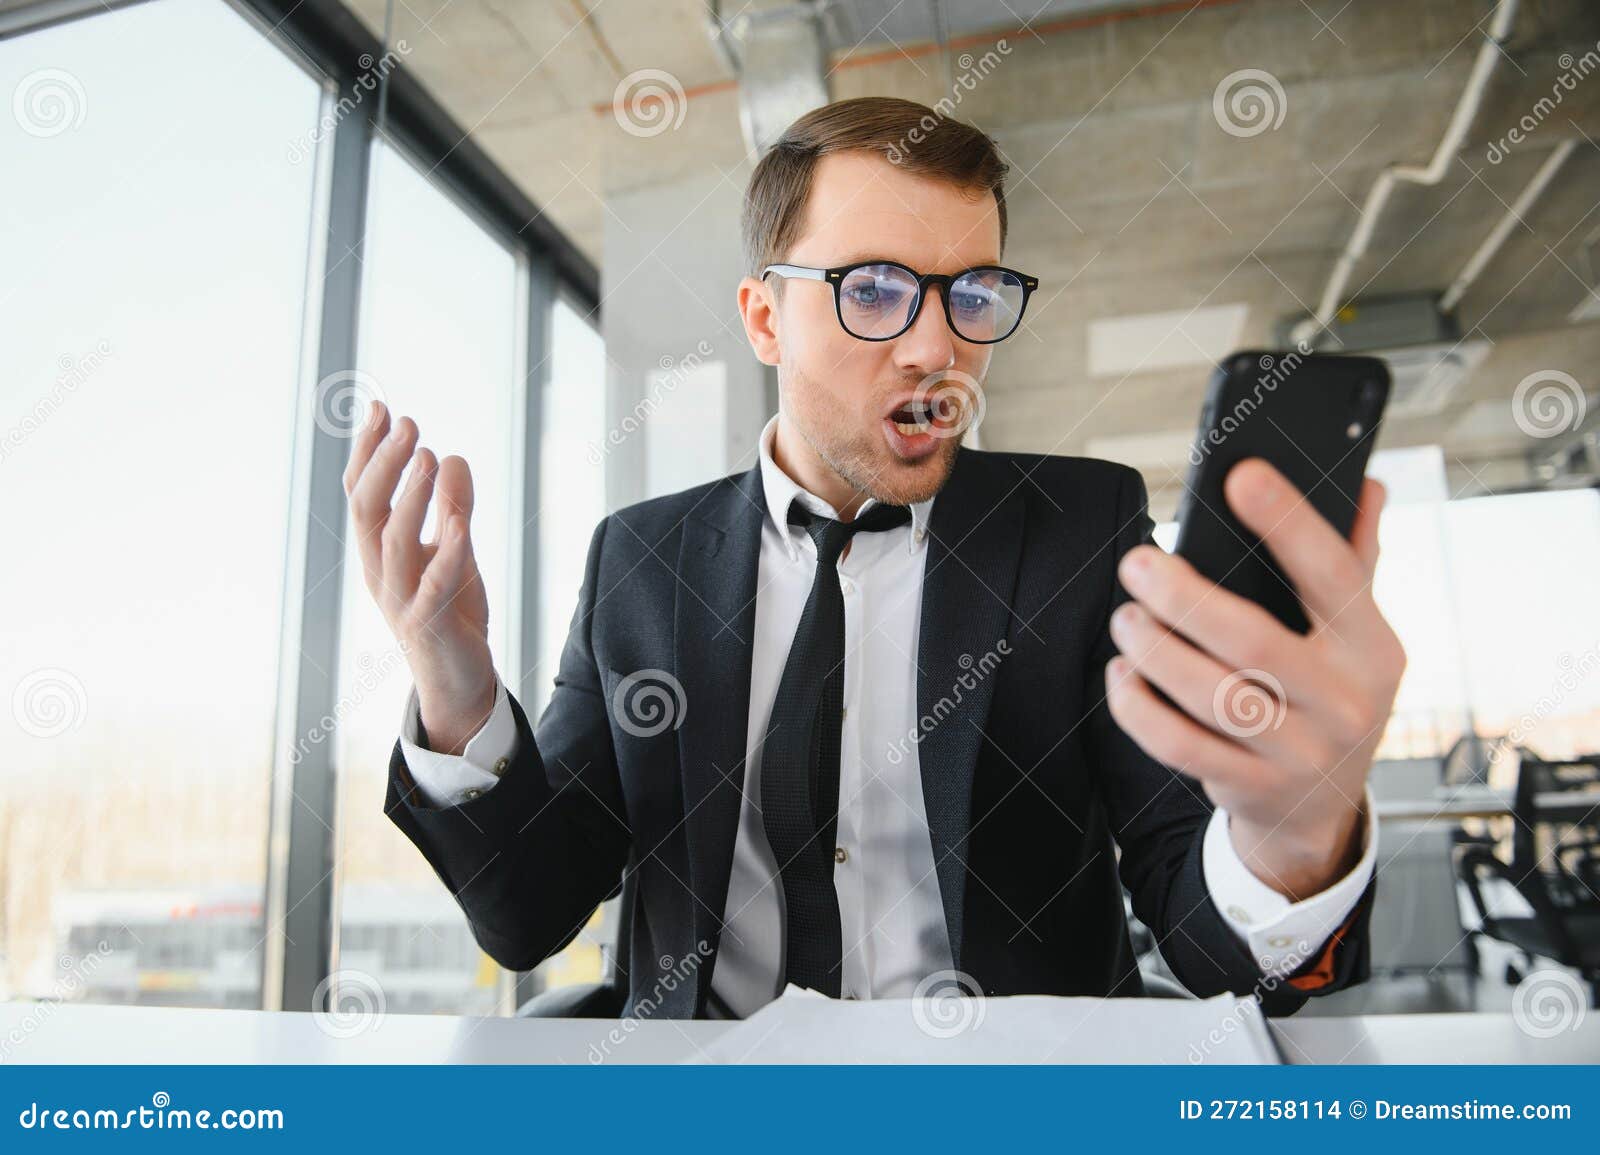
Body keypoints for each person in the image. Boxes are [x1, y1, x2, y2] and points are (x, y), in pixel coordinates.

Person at [342, 96, 1404, 1020]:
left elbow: (1196, 929)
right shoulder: (644, 559)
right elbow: (531, 914)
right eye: (875, 289)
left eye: (972, 294)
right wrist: (456, 684)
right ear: (765, 317)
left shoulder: (1079, 527)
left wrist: (1287, 838)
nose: (936, 347)